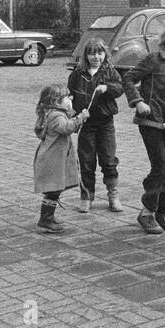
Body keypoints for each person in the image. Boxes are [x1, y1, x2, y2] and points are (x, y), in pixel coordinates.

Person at [123, 23, 165, 235]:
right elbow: (129, 78)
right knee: (161, 168)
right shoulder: (153, 59)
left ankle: (162, 209)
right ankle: (147, 211)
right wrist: (138, 101)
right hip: (150, 122)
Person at [67, 41, 125, 214]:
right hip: (86, 125)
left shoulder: (110, 72)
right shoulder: (77, 74)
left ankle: (113, 195)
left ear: (105, 54)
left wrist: (107, 87)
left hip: (106, 123)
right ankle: (86, 196)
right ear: (86, 56)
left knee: (108, 160)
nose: (96, 57)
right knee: (86, 162)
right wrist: (70, 111)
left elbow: (120, 88)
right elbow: (69, 95)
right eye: (92, 54)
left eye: (100, 53)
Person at [33, 83, 90, 233]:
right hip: (53, 159)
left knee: (54, 189)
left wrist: (75, 114)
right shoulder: (56, 116)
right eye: (67, 98)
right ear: (56, 102)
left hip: (53, 157)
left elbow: (68, 118)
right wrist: (80, 118)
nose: (70, 100)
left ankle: (49, 216)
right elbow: (67, 128)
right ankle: (45, 219)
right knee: (53, 189)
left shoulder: (53, 113)